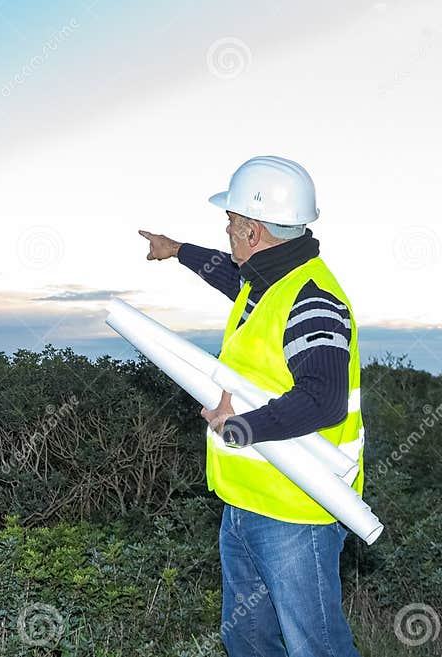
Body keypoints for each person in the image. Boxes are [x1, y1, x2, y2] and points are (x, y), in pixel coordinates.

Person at [139, 155, 365, 657]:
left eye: (230, 225)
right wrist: (177, 251)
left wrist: (238, 427)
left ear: (253, 231)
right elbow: (228, 278)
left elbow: (322, 401)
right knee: (247, 638)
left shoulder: (312, 301)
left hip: (294, 510)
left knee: (316, 647)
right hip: (244, 503)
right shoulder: (264, 282)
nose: (226, 233)